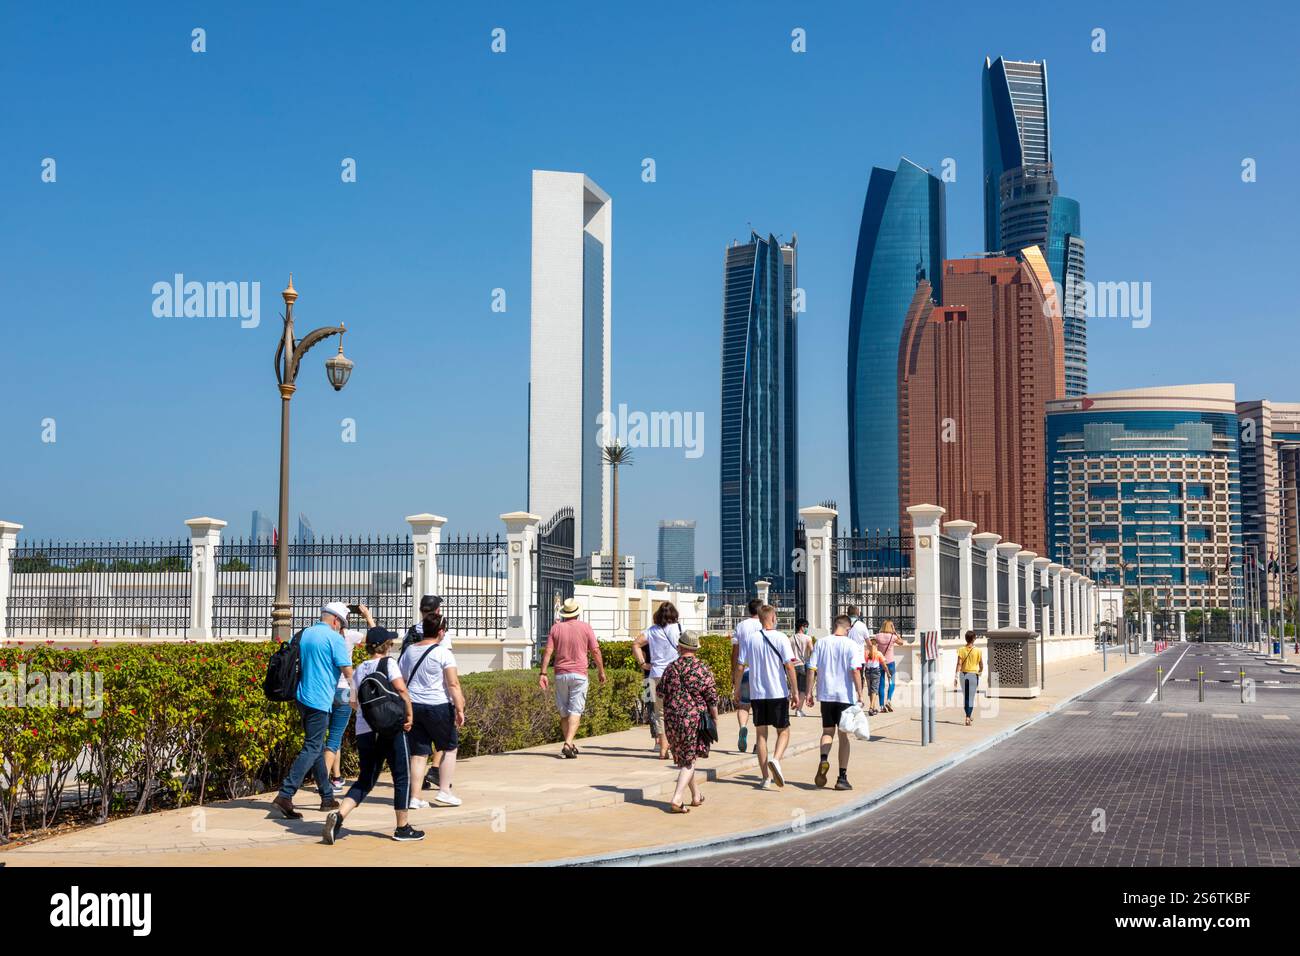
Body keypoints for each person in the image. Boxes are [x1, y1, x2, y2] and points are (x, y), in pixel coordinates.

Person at [324, 626, 424, 843]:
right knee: (402, 776)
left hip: (365, 730)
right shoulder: (389, 664)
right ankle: (402, 828)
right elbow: (402, 690)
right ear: (385, 646)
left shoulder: (360, 669)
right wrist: (408, 715)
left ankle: (339, 815)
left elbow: (353, 702)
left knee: (365, 779)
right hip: (390, 729)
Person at [272, 603, 355, 819]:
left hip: (301, 696)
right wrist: (357, 696)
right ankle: (286, 794)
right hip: (320, 700)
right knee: (312, 746)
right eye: (342, 624)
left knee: (316, 745)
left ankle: (327, 796)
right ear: (336, 621)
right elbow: (347, 671)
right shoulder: (335, 638)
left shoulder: (304, 633)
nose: (341, 629)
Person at [399, 612, 465, 807]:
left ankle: (415, 797)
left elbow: (401, 680)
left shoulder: (409, 651)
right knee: (449, 747)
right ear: (441, 632)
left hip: (414, 705)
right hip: (438, 706)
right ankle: (445, 791)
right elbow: (452, 684)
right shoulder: (443, 653)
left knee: (419, 753)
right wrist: (460, 708)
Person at [732, 604, 800, 789]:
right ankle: (776, 760)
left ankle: (764, 779)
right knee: (783, 731)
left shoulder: (751, 639)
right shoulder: (781, 637)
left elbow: (740, 666)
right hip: (777, 692)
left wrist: (737, 689)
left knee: (761, 735)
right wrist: (795, 691)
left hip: (757, 693)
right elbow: (789, 666)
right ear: (772, 618)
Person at [657, 630, 719, 813]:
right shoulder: (702, 669)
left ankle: (696, 796)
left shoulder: (671, 668)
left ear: (680, 646)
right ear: (695, 649)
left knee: (686, 757)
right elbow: (712, 698)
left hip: (672, 718)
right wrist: (715, 718)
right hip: (694, 719)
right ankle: (677, 798)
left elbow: (660, 693)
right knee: (689, 760)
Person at [538, 597, 607, 758]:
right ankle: (568, 743)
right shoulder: (586, 628)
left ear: (564, 614)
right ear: (577, 613)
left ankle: (570, 742)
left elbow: (548, 651)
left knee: (564, 711)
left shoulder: (556, 628)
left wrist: (543, 673)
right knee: (576, 710)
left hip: (560, 674)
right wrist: (601, 671)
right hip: (579, 674)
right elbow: (595, 651)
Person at [805, 614, 864, 790]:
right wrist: (860, 694)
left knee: (827, 732)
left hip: (826, 695)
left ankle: (824, 759)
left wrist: (808, 692)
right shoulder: (851, 645)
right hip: (845, 697)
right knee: (844, 736)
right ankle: (842, 778)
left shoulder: (821, 643)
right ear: (848, 628)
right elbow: (855, 671)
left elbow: (811, 669)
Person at [323, 604, 373, 791]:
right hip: (344, 689)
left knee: (330, 736)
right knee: (335, 737)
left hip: (327, 689)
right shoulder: (349, 636)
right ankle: (326, 781)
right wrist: (367, 616)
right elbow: (375, 638)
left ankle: (336, 777)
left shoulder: (325, 636)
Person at [401, 595, 447, 792]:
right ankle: (436, 770)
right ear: (437, 611)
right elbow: (447, 665)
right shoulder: (440, 634)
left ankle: (416, 786)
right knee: (445, 739)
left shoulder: (410, 633)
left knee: (418, 747)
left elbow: (402, 665)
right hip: (437, 698)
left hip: (413, 697)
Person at [633, 601, 681, 760]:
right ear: (674, 614)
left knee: (660, 713)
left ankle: (662, 749)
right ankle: (674, 746)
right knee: (675, 712)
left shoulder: (651, 631)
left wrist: (643, 664)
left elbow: (636, 644)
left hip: (655, 674)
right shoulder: (679, 629)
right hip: (674, 673)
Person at [730, 598, 763, 752]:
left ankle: (743, 727)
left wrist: (733, 671)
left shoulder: (741, 625)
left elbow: (735, 651)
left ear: (749, 610)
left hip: (744, 668)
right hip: (761, 671)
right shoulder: (766, 625)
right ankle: (758, 743)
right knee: (759, 708)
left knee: (743, 704)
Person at [872, 619, 904, 714]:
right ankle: (889, 700)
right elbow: (901, 642)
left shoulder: (877, 636)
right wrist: (895, 632)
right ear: (891, 627)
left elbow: (871, 644)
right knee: (891, 682)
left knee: (881, 684)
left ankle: (881, 706)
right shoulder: (893, 637)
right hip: (890, 663)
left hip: (880, 662)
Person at [955, 630, 984, 726]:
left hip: (963, 675)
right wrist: (980, 671)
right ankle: (968, 717)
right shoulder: (978, 651)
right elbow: (981, 664)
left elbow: (959, 664)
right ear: (974, 639)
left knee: (966, 697)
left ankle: (968, 714)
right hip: (973, 675)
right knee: (971, 697)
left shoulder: (961, 649)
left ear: (966, 639)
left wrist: (955, 677)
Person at [790, 618, 814, 717]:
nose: (807, 628)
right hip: (803, 665)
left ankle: (795, 702)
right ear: (802, 626)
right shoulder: (807, 638)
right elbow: (813, 651)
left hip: (793, 666)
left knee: (794, 688)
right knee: (803, 689)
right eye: (806, 626)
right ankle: (799, 710)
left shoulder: (791, 638)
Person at [863, 641, 886, 716]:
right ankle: (871, 707)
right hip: (875, 671)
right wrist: (888, 673)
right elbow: (884, 664)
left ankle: (873, 707)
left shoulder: (866, 653)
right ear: (876, 645)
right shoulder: (878, 653)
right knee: (874, 690)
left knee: (870, 690)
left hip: (867, 672)